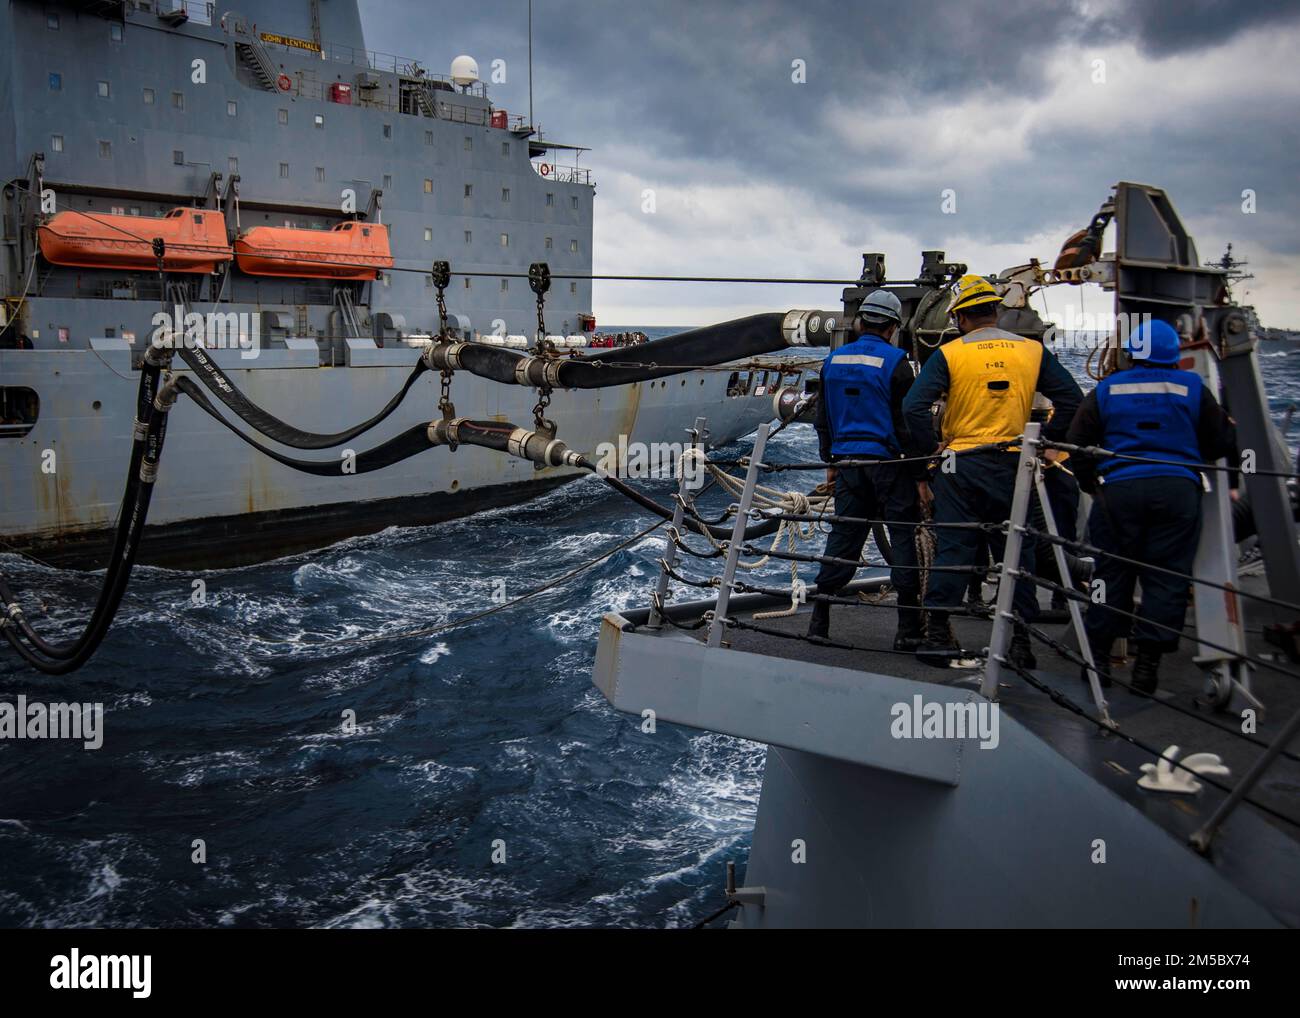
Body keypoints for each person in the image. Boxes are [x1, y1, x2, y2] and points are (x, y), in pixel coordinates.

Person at [902, 274, 1083, 666]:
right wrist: (1046, 442)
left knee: (955, 548)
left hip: (960, 466)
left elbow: (913, 408)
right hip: (1016, 465)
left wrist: (930, 451)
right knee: (1020, 551)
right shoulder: (1033, 351)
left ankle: (937, 636)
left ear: (960, 318)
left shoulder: (949, 354)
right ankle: (1020, 644)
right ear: (996, 311)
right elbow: (1072, 399)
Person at [1066, 319, 1235, 693]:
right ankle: (1146, 668)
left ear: (1131, 354)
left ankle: (1097, 661)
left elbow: (1077, 440)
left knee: (1110, 574)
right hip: (1177, 491)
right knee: (1167, 578)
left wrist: (1090, 484)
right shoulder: (1192, 386)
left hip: (1119, 491)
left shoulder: (1107, 389)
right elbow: (1222, 441)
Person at [810, 289, 929, 650]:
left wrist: (830, 461)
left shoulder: (832, 362)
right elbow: (907, 422)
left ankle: (820, 620)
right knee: (903, 538)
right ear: (894, 327)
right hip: (890, 466)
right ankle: (907, 631)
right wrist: (922, 474)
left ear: (860, 322)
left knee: (844, 539)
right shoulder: (898, 363)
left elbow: (823, 419)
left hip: (847, 465)